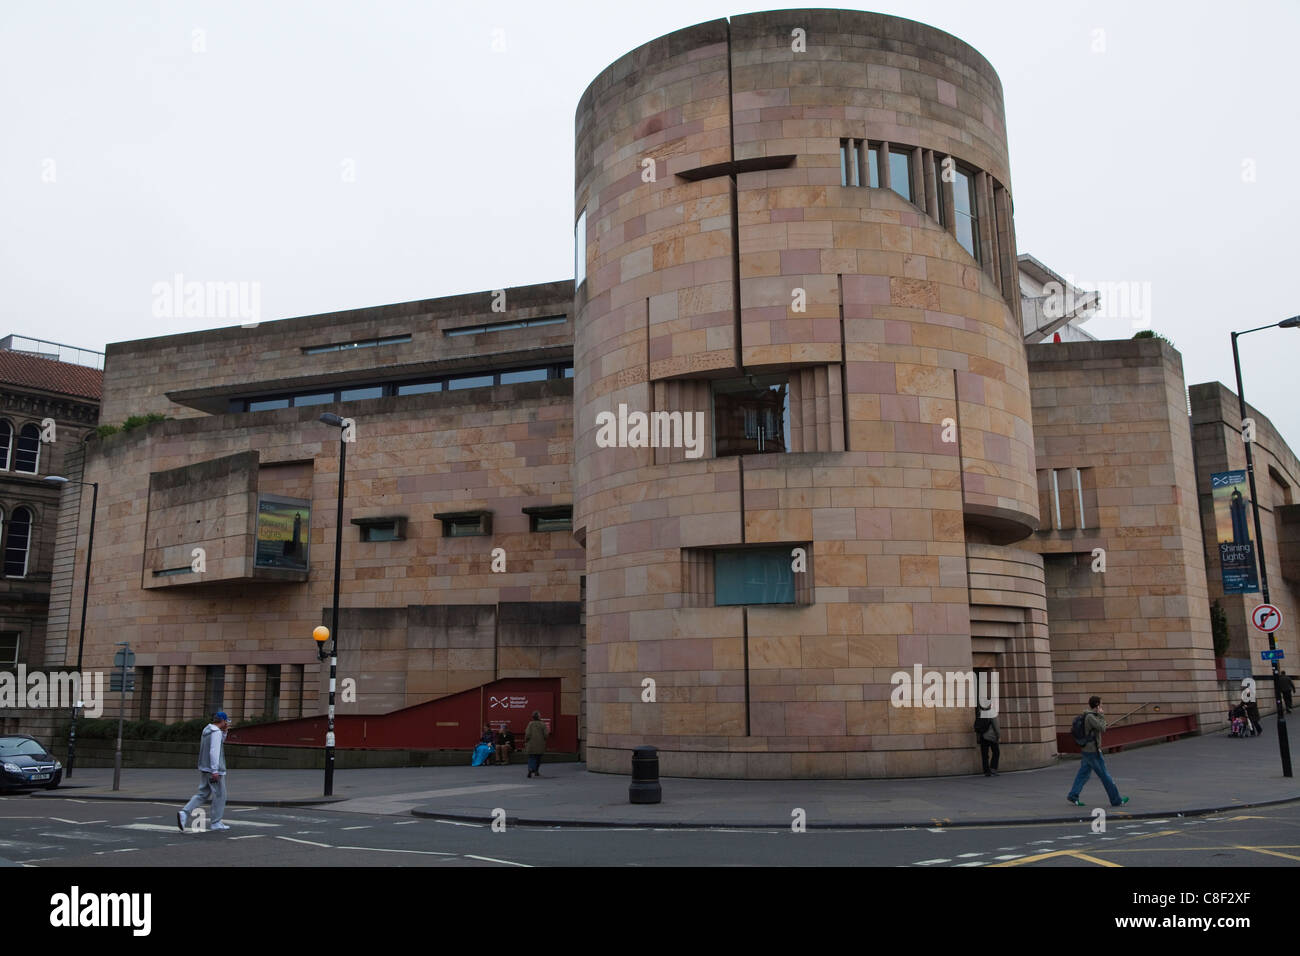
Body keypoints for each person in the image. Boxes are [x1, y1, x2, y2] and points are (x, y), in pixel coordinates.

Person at [1067, 696, 1129, 808]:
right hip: (1092, 751)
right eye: (1101, 704)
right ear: (1097, 705)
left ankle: (1073, 795)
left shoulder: (1089, 715)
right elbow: (1102, 727)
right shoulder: (1090, 717)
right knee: (1105, 775)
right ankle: (1116, 800)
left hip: (1087, 750)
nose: (1102, 706)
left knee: (1083, 774)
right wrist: (1101, 715)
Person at [178, 712, 231, 832]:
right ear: (222, 721)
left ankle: (184, 813)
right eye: (226, 721)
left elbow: (217, 743)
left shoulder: (207, 729)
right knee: (220, 795)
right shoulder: (216, 732)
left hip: (204, 767)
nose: (226, 723)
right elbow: (214, 751)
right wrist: (215, 770)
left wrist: (225, 732)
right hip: (214, 770)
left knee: (203, 793)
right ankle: (216, 822)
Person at [973, 705, 1000, 776]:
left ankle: (986, 771)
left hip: (982, 736)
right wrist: (998, 736)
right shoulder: (991, 713)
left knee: (984, 755)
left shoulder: (980, 713)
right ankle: (993, 769)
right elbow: (996, 726)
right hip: (991, 737)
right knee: (996, 752)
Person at [524, 710, 548, 778]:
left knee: (531, 757)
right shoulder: (543, 724)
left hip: (531, 744)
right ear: (538, 716)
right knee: (538, 758)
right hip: (540, 744)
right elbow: (546, 734)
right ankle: (536, 771)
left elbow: (527, 734)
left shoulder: (530, 724)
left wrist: (526, 740)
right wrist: (544, 739)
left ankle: (530, 769)